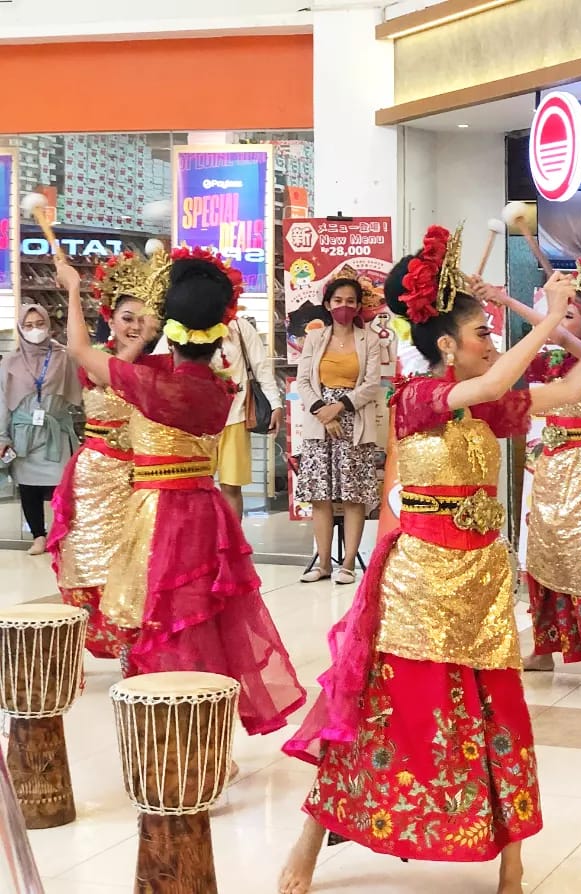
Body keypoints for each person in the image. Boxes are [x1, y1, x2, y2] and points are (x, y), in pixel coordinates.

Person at [277, 225, 581, 894]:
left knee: (497, 714)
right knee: (380, 715)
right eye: (483, 333)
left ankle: (512, 864)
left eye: (490, 332)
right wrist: (542, 325)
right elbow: (497, 380)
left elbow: (570, 391)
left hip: (480, 580)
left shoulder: (490, 406)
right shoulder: (420, 397)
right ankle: (310, 842)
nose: (492, 342)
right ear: (446, 344)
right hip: (418, 581)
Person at [57, 246, 306, 736]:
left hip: (158, 512)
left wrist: (70, 288)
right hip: (206, 510)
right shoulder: (218, 389)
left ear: (168, 332)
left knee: (166, 616)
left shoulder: (149, 380)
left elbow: (82, 353)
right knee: (204, 619)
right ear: (218, 337)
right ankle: (207, 724)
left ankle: (173, 725)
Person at [475, 249, 581, 715]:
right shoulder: (546, 364)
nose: (558, 321)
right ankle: (544, 651)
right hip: (549, 470)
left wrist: (510, 302)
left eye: (570, 315)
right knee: (543, 561)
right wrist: (499, 302)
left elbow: (560, 333)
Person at [48, 250, 169, 658]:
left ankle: (136, 642)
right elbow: (112, 368)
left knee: (140, 560)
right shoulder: (95, 361)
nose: (135, 326)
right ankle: (107, 639)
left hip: (141, 476)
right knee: (90, 556)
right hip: (96, 474)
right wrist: (73, 288)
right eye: (127, 318)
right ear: (111, 321)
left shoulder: (157, 367)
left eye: (143, 318)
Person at [295, 276, 382, 585]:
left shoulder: (369, 339)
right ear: (327, 304)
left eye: (349, 301)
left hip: (354, 422)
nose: (343, 307)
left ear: (358, 305)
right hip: (320, 423)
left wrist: (341, 406)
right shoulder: (315, 339)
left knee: (353, 496)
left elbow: (372, 385)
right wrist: (323, 411)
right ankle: (323, 563)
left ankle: (347, 565)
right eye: (338, 301)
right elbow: (302, 382)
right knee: (320, 495)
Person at [0, 304, 81, 555]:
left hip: (54, 429)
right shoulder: (10, 362)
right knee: (28, 486)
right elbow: (2, 400)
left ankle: (62, 533)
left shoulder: (63, 356)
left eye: (39, 324)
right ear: (21, 329)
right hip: (24, 432)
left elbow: (79, 388)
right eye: (28, 326)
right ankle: (38, 536)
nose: (35, 330)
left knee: (62, 485)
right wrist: (2, 436)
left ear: (48, 325)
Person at [216, 315, 284, 519]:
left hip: (234, 416)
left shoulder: (239, 326)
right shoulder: (183, 325)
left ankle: (233, 547)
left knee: (231, 487)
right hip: (196, 422)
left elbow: (261, 367)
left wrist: (275, 403)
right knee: (195, 487)